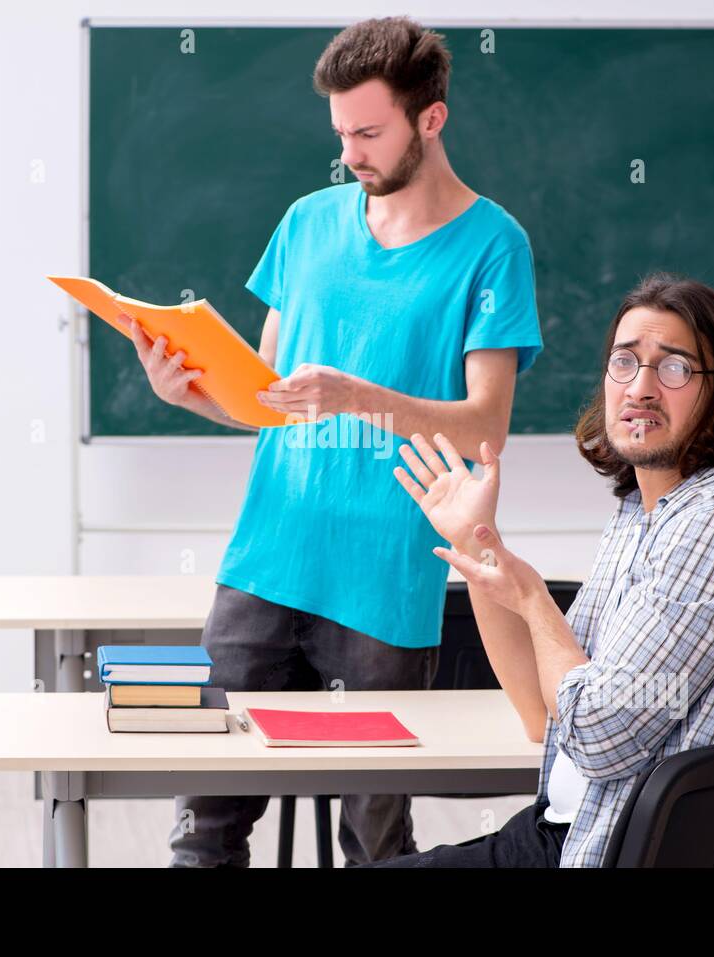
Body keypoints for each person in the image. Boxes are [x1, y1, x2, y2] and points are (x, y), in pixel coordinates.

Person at [127, 17, 544, 866]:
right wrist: (191, 395)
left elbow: (485, 425)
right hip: (265, 560)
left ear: (430, 119)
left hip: (385, 582)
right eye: (340, 133)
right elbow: (268, 400)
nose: (349, 153)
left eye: (368, 132)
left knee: (373, 838)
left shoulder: (495, 247)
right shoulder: (308, 223)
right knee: (202, 825)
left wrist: (355, 394)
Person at [374, 273, 714, 867]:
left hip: (615, 851)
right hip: (573, 831)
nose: (640, 389)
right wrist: (478, 542)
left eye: (674, 368)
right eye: (625, 362)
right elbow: (544, 718)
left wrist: (534, 598)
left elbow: (597, 739)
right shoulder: (647, 509)